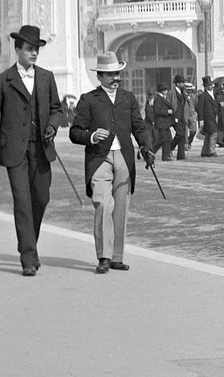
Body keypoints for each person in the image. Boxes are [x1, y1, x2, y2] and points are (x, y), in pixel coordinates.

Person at [0, 25, 64, 275]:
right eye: (29, 49)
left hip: (41, 149)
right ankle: (28, 258)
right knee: (22, 203)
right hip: (14, 151)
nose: (34, 53)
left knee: (41, 198)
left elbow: (57, 110)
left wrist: (52, 126)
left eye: (36, 49)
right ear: (17, 50)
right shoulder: (1, 82)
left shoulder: (47, 78)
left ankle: (28, 243)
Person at [69, 52, 154, 274]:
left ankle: (117, 257)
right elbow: (74, 132)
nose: (115, 78)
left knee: (121, 208)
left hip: (124, 158)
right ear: (100, 77)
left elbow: (139, 125)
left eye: (117, 73)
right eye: (110, 75)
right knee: (103, 204)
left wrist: (147, 147)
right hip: (99, 159)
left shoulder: (128, 98)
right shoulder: (89, 100)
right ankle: (104, 257)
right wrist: (90, 136)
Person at [165, 74, 194, 159]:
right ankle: (170, 147)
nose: (183, 84)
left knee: (183, 135)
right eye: (182, 83)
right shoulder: (171, 93)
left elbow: (186, 102)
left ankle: (181, 155)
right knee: (180, 134)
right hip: (175, 116)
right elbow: (168, 104)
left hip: (182, 116)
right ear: (177, 84)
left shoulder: (183, 92)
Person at [147, 84, 175, 159]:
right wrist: (167, 111)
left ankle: (166, 156)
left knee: (168, 138)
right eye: (165, 90)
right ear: (162, 91)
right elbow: (157, 111)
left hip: (165, 123)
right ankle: (150, 151)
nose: (167, 91)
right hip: (161, 122)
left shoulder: (162, 98)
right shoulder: (158, 99)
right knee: (162, 138)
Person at [197, 76, 222, 158]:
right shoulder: (203, 95)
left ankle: (204, 151)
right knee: (213, 133)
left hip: (214, 116)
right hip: (207, 117)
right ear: (206, 86)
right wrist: (201, 119)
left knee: (208, 134)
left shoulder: (214, 95)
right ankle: (212, 150)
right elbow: (200, 108)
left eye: (211, 85)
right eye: (209, 85)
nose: (211, 86)